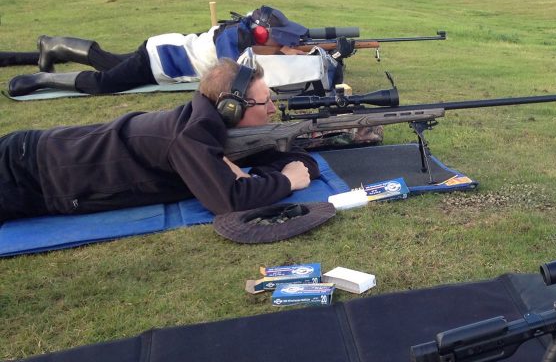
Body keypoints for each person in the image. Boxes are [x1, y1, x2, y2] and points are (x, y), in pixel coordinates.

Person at [0, 59, 319, 223]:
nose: (274, 109)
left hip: (40, 161)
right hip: (27, 172)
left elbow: (296, 159)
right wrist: (284, 181)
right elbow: (230, 202)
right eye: (265, 103)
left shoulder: (211, 123)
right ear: (230, 107)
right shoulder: (192, 135)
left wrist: (283, 169)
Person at [6, 6, 308, 97]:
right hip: (159, 60)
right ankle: (42, 80)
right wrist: (283, 56)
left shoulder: (243, 32)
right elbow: (239, 74)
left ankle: (53, 45)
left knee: (106, 60)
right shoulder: (231, 38)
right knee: (105, 82)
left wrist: (282, 50)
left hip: (161, 50)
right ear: (262, 33)